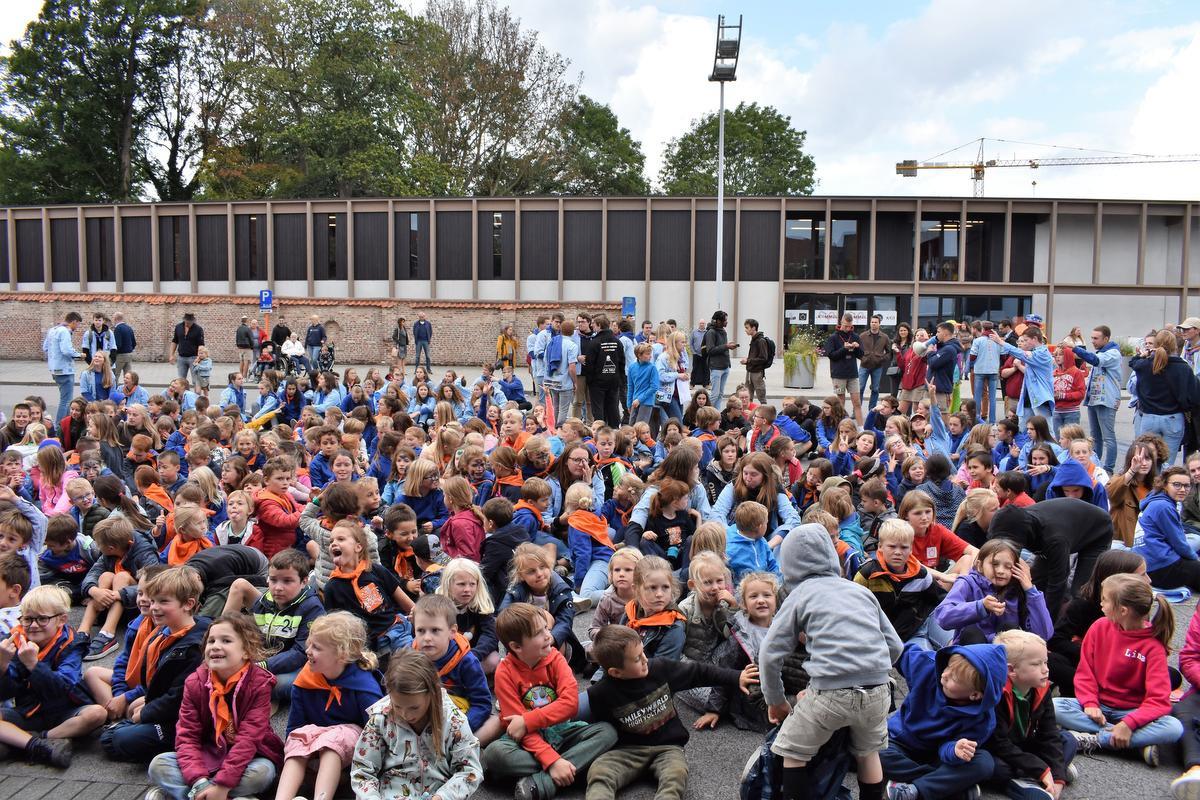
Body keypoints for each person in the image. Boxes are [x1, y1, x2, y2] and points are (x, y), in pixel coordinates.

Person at [763, 525, 902, 800]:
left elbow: (770, 653)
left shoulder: (799, 595)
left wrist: (776, 700)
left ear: (788, 564)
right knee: (868, 753)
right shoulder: (859, 591)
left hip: (830, 693)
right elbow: (895, 646)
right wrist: (870, 671)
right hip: (878, 690)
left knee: (793, 751)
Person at [583, 624, 756, 800]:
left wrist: (735, 676)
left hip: (668, 748)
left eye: (643, 652)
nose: (645, 659)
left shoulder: (659, 668)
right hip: (628, 750)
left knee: (676, 774)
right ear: (616, 672)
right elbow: (605, 725)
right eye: (637, 659)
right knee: (600, 770)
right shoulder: (599, 693)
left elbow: (699, 672)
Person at [482, 602, 618, 799]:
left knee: (608, 732)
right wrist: (552, 761)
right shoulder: (504, 672)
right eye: (539, 633)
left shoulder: (556, 659)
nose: (548, 635)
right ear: (516, 647)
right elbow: (516, 728)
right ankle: (570, 767)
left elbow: (570, 704)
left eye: (546, 628)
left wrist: (527, 720)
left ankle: (541, 782)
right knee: (494, 754)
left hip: (563, 730)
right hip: (527, 740)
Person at [145, 615, 284, 800]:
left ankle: (187, 795)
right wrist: (200, 781)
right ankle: (218, 795)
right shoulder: (194, 682)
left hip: (248, 758)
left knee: (262, 773)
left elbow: (249, 740)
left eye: (226, 641)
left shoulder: (260, 684)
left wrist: (223, 784)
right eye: (211, 641)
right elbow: (187, 736)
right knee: (158, 764)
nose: (215, 646)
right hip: (207, 754)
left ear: (246, 651)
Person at [1053, 574, 1183, 763]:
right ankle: (1134, 745)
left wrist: (1129, 724)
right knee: (1054, 706)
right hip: (1098, 707)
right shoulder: (1099, 627)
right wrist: (1090, 703)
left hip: (1132, 712)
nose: (1101, 604)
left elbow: (1158, 700)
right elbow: (1085, 672)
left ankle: (1094, 740)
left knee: (1174, 728)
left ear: (1122, 610)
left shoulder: (1153, 646)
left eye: (1105, 600)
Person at [99, 567, 212, 762]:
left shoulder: (194, 647)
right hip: (164, 705)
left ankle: (190, 747)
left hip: (189, 718)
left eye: (163, 601)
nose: (154, 608)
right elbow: (152, 682)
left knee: (115, 739)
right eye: (153, 601)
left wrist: (145, 713)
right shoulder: (162, 633)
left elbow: (178, 698)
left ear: (188, 604)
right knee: (118, 728)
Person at [881, 641, 1008, 800]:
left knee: (984, 763)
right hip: (901, 742)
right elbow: (899, 650)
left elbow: (946, 749)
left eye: (954, 677)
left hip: (938, 757)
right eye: (948, 667)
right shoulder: (928, 667)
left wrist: (955, 749)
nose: (945, 674)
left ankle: (917, 788)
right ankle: (950, 788)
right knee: (876, 752)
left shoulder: (983, 720)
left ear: (975, 695)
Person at [276, 612, 383, 800]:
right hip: (317, 743)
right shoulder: (305, 680)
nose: (308, 651)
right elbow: (295, 726)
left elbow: (377, 733)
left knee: (333, 740)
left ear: (342, 655)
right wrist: (299, 751)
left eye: (316, 647)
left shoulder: (364, 686)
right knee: (299, 737)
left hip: (349, 746)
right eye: (309, 644)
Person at [349, 649, 483, 800]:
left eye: (414, 707)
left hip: (441, 793)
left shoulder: (453, 721)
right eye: (397, 706)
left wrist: (442, 797)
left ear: (431, 693)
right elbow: (362, 771)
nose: (406, 715)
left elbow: (469, 771)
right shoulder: (381, 719)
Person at [0, 585, 104, 768]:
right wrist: (2, 665)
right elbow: (7, 693)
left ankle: (33, 741)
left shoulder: (73, 643)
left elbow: (63, 688)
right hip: (29, 712)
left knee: (97, 713)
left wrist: (34, 665)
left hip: (65, 711)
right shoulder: (14, 640)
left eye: (42, 619)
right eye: (27, 619)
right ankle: (38, 746)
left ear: (61, 619)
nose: (33, 625)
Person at [985, 630, 1076, 800]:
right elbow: (998, 743)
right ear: (1011, 670)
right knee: (994, 766)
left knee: (1068, 740)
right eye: (1036, 664)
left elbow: (1049, 734)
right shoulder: (997, 693)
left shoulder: (1042, 689)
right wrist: (1040, 768)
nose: (1045, 670)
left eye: (1046, 662)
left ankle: (1046, 773)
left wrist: (1058, 778)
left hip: (1024, 745)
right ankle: (1024, 781)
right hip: (1002, 751)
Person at [988, 497, 1114, 619]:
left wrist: (1047, 623)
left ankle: (1079, 625)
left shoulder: (1054, 540)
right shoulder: (1009, 522)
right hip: (1066, 524)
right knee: (1036, 580)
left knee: (1080, 591)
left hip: (1097, 531)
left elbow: (1057, 583)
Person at [1130, 329, 1200, 465]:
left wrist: (1144, 355)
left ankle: (1151, 479)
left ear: (1156, 345)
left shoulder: (1146, 365)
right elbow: (1194, 395)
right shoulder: (1183, 368)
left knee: (1147, 461)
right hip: (1173, 417)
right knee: (1167, 462)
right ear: (1174, 346)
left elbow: (1133, 363)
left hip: (1149, 417)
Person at [1132, 466, 1200, 590]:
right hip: (1159, 567)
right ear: (1164, 485)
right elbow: (1179, 544)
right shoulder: (1164, 506)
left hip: (1147, 563)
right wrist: (1195, 559)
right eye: (1177, 485)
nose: (1183, 489)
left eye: (1187, 486)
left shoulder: (1156, 500)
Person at [1073, 325, 1124, 473]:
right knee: (1095, 437)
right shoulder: (1102, 352)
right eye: (1092, 338)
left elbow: (1095, 360)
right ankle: (1095, 465)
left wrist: (1075, 348)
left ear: (1106, 339)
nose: (1093, 341)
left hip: (1106, 400)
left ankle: (1108, 468)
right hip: (1094, 400)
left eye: (1096, 338)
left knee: (1108, 437)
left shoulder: (1113, 353)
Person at [989, 325, 1054, 427]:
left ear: (1035, 339)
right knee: (1023, 428)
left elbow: (1021, 354)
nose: (1024, 343)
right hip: (1028, 398)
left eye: (1026, 340)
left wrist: (1001, 342)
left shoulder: (1042, 354)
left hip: (1040, 399)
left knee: (1045, 429)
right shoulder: (1034, 352)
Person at [43, 311, 83, 432]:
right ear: (74, 321)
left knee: (64, 399)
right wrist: (79, 355)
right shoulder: (65, 331)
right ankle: (60, 426)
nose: (77, 327)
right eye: (78, 324)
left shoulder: (53, 330)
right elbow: (66, 350)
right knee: (66, 401)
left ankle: (64, 424)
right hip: (65, 370)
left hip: (54, 369)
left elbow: (45, 347)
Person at [583, 314, 625, 427]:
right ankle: (615, 429)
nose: (592, 326)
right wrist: (620, 379)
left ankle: (600, 429)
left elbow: (589, 364)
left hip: (597, 382)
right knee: (613, 407)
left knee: (598, 409)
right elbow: (622, 362)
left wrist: (590, 381)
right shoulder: (617, 342)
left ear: (599, 325)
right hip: (614, 380)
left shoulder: (594, 342)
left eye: (593, 324)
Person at [826, 315, 864, 424]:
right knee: (840, 402)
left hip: (852, 374)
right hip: (838, 374)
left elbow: (861, 355)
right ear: (841, 323)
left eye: (850, 326)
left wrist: (857, 348)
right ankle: (839, 426)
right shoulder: (833, 337)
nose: (848, 328)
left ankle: (861, 428)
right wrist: (844, 349)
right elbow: (832, 355)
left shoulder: (855, 336)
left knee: (857, 402)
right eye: (846, 326)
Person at [925, 322, 963, 416]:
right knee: (930, 417)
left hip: (941, 390)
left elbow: (933, 363)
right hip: (935, 388)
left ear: (945, 333)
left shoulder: (949, 349)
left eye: (938, 332)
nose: (936, 335)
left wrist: (930, 352)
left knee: (942, 417)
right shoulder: (944, 347)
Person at [701, 310, 737, 405]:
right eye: (725, 320)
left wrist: (728, 346)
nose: (727, 322)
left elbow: (722, 347)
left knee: (720, 394)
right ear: (718, 321)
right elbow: (710, 350)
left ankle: (716, 413)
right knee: (715, 394)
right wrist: (726, 346)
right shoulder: (711, 332)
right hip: (716, 368)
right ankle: (705, 412)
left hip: (725, 366)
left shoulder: (723, 331)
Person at [968, 322, 1002, 423]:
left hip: (980, 369)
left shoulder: (978, 340)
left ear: (982, 329)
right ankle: (992, 421)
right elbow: (1003, 354)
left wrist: (972, 364)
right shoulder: (997, 340)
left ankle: (977, 420)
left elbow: (972, 356)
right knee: (992, 397)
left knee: (977, 396)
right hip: (993, 369)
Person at [858, 314, 892, 412]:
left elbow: (889, 353)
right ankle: (856, 410)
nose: (873, 324)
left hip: (877, 367)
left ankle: (871, 410)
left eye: (876, 322)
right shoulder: (863, 336)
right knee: (860, 388)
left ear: (879, 324)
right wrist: (862, 358)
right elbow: (857, 350)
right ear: (870, 323)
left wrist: (881, 359)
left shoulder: (884, 337)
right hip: (864, 366)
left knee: (875, 389)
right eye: (872, 322)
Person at [169, 312, 205, 382]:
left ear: (193, 321)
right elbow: (174, 341)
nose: (187, 324)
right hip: (181, 358)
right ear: (184, 320)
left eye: (189, 323)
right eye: (186, 322)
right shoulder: (178, 327)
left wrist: (199, 358)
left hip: (194, 358)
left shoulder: (198, 329)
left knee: (196, 381)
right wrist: (171, 355)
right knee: (181, 381)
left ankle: (196, 389)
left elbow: (201, 345)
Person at [742, 318, 770, 406]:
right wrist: (747, 361)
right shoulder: (754, 339)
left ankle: (764, 411)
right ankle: (748, 411)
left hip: (757, 371)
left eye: (747, 328)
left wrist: (748, 361)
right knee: (748, 394)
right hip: (750, 370)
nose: (745, 330)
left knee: (761, 394)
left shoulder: (761, 341)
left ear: (753, 328)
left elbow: (763, 358)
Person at [111, 312, 136, 377]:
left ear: (115, 319)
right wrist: (129, 350)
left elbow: (118, 345)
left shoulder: (118, 328)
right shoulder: (129, 328)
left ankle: (114, 384)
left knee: (115, 375)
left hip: (120, 356)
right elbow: (134, 343)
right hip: (129, 355)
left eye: (113, 318)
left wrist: (113, 354)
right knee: (128, 376)